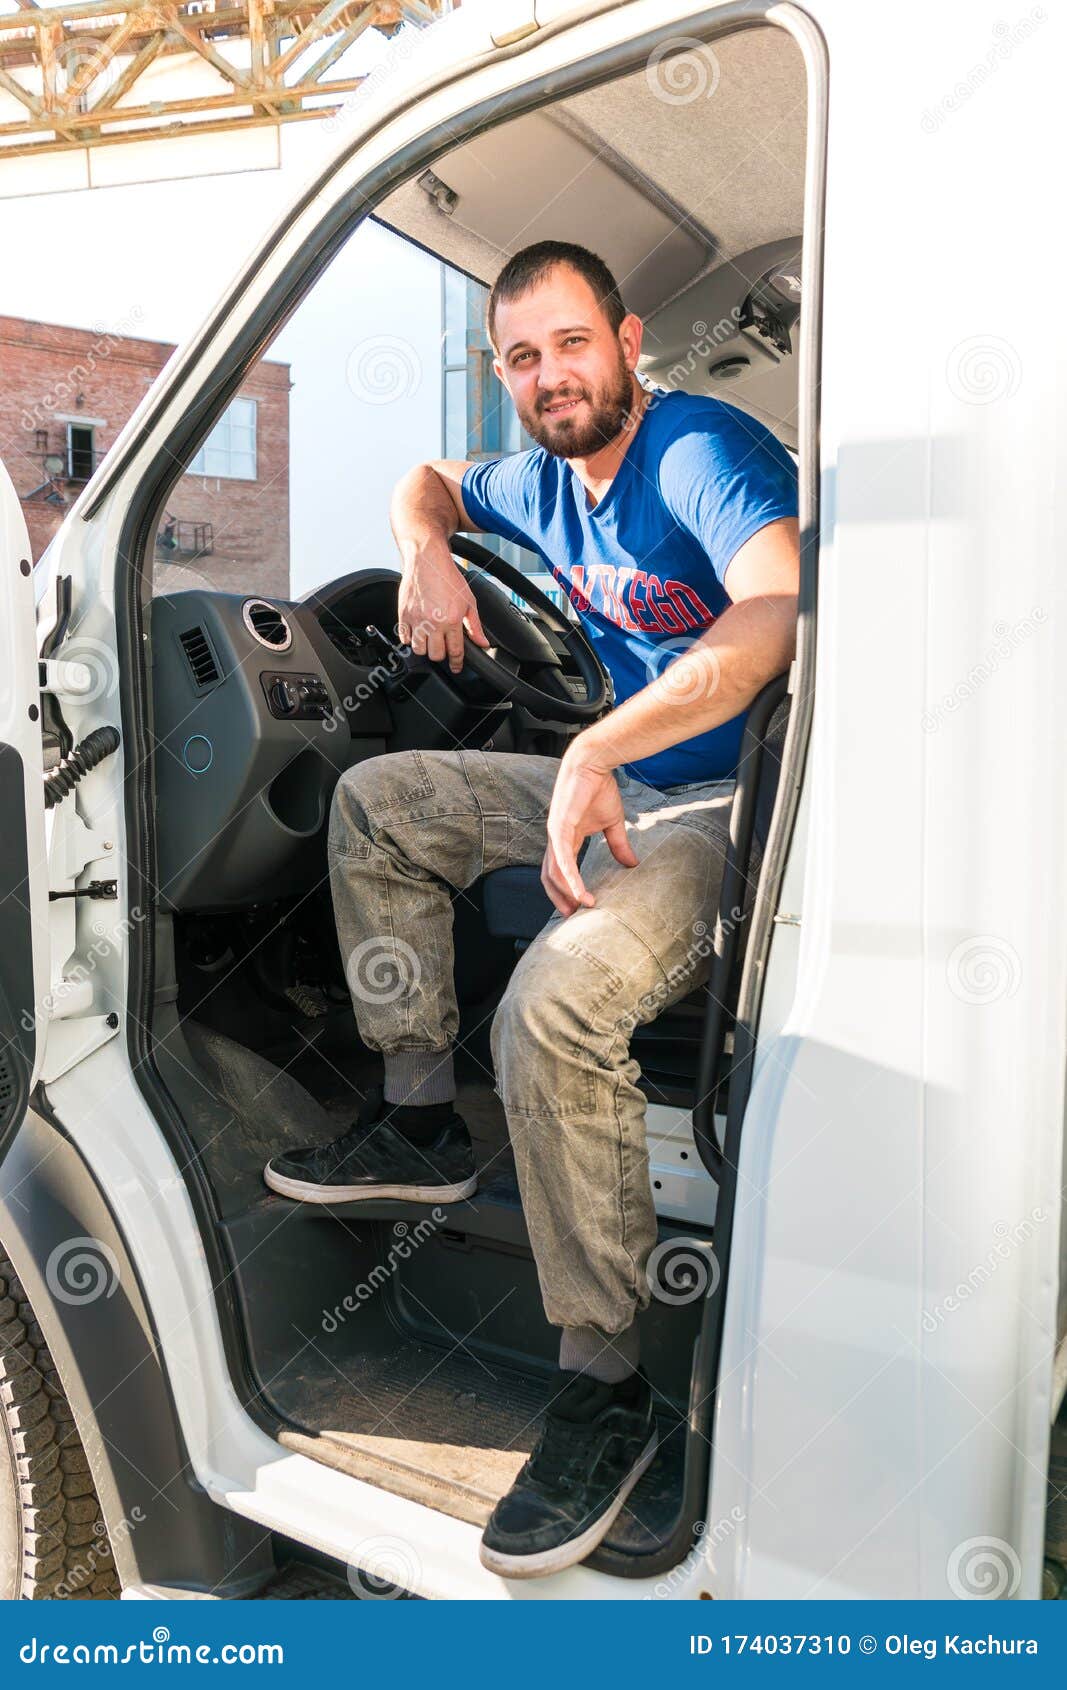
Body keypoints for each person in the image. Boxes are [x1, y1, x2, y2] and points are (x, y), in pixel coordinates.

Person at [264, 240, 799, 1578]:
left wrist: (601, 746)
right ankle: (420, 1112)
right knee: (380, 800)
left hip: (726, 807)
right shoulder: (539, 479)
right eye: (521, 357)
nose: (550, 376)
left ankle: (606, 1384)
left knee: (553, 1005)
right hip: (612, 779)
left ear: (626, 341)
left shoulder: (697, 451)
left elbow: (774, 615)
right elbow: (427, 479)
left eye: (572, 344)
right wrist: (423, 553)